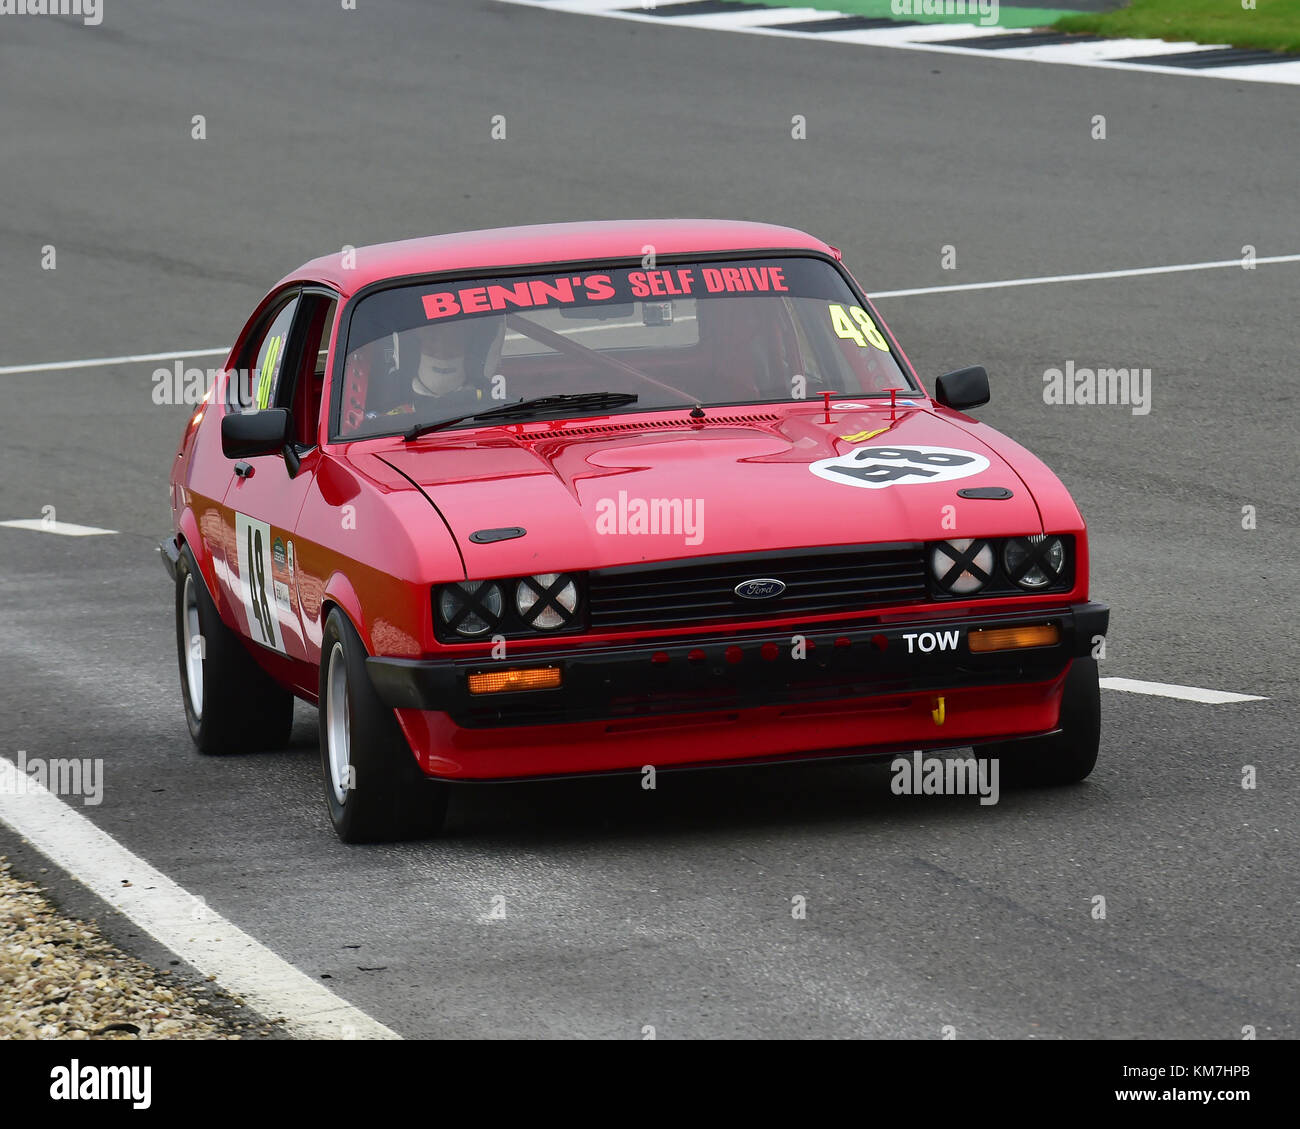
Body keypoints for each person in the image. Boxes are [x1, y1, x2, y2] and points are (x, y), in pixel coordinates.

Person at [366, 315, 504, 420]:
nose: (441, 349)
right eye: (431, 342)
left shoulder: (499, 401)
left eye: (452, 344)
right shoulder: (386, 395)